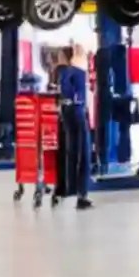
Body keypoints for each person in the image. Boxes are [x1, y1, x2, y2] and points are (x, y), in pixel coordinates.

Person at [56, 44, 93, 210]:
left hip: (66, 113)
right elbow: (80, 97)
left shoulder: (62, 73)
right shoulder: (78, 73)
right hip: (77, 112)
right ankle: (82, 194)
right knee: (83, 154)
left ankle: (70, 190)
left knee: (71, 152)